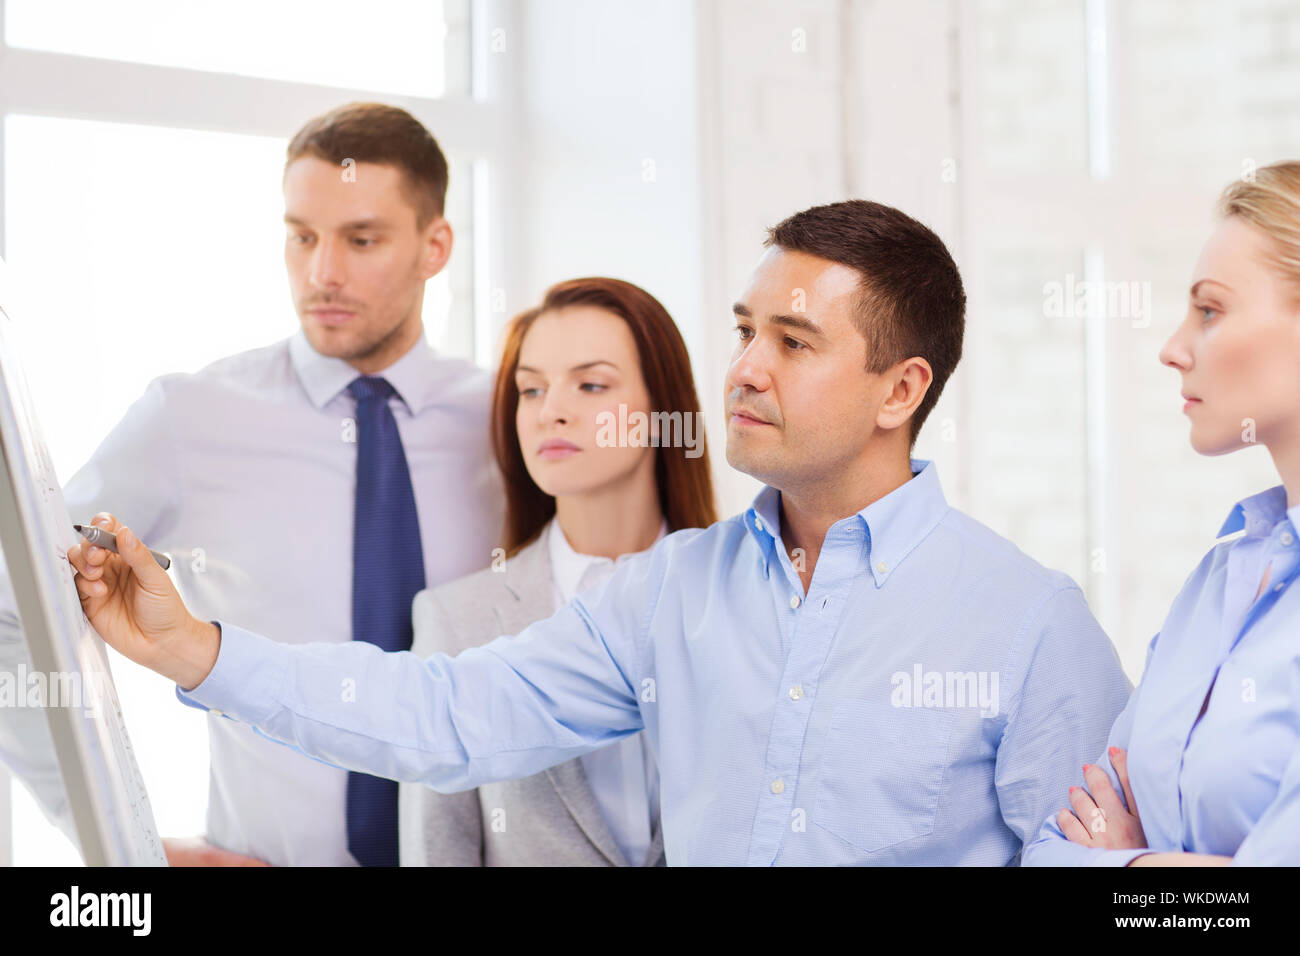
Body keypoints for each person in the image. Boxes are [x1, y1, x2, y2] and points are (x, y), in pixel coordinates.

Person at [69, 199, 1132, 865]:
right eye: (745, 331)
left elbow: (1099, 868)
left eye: (793, 340)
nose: (745, 368)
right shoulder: (672, 588)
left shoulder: (1028, 624)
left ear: (900, 388)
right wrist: (197, 649)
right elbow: (448, 712)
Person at [0, 101, 503, 866]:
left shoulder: (510, 424)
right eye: (301, 237)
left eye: (360, 239)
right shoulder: (190, 418)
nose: (322, 272)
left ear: (436, 247)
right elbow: (15, 611)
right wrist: (116, 835)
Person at [1023, 161, 1300, 866]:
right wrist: (1169, 874)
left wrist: (1127, 866)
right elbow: (1051, 853)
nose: (1173, 349)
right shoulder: (1220, 577)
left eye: (1210, 311)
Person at [398, 277, 717, 866]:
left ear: (662, 411)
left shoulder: (742, 600)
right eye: (531, 389)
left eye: (591, 385)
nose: (553, 412)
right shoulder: (457, 620)